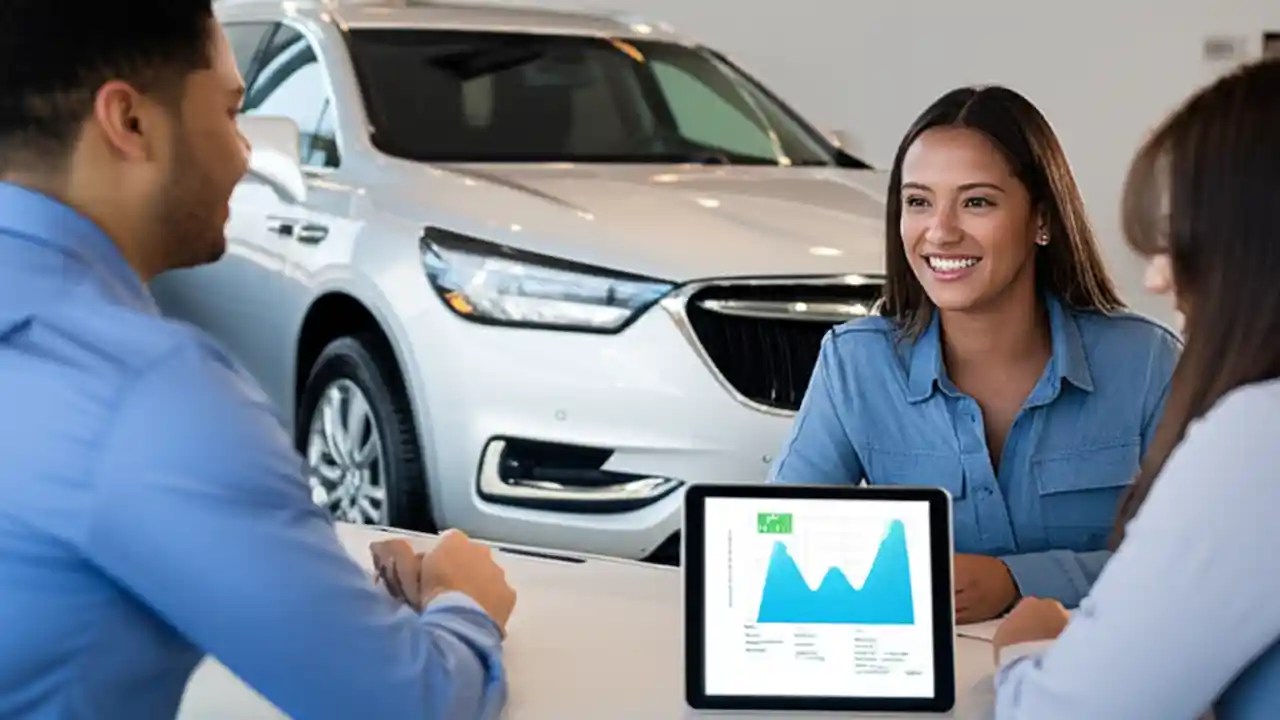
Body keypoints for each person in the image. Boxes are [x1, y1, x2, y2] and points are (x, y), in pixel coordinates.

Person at [0, 3, 515, 719]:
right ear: (132, 124)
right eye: (232, 111)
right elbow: (408, 705)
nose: (246, 155)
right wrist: (465, 601)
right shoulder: (148, 394)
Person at [769, 86, 1181, 623]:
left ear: (1042, 220)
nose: (940, 232)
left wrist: (1019, 581)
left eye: (976, 202)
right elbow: (779, 544)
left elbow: (1195, 564)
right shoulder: (855, 364)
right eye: (919, 202)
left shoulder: (1145, 361)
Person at [991, 57, 1280, 719]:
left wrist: (1027, 646)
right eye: (917, 200)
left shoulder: (1252, 436)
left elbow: (1069, 712)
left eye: (1180, 238)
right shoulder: (853, 359)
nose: (1156, 277)